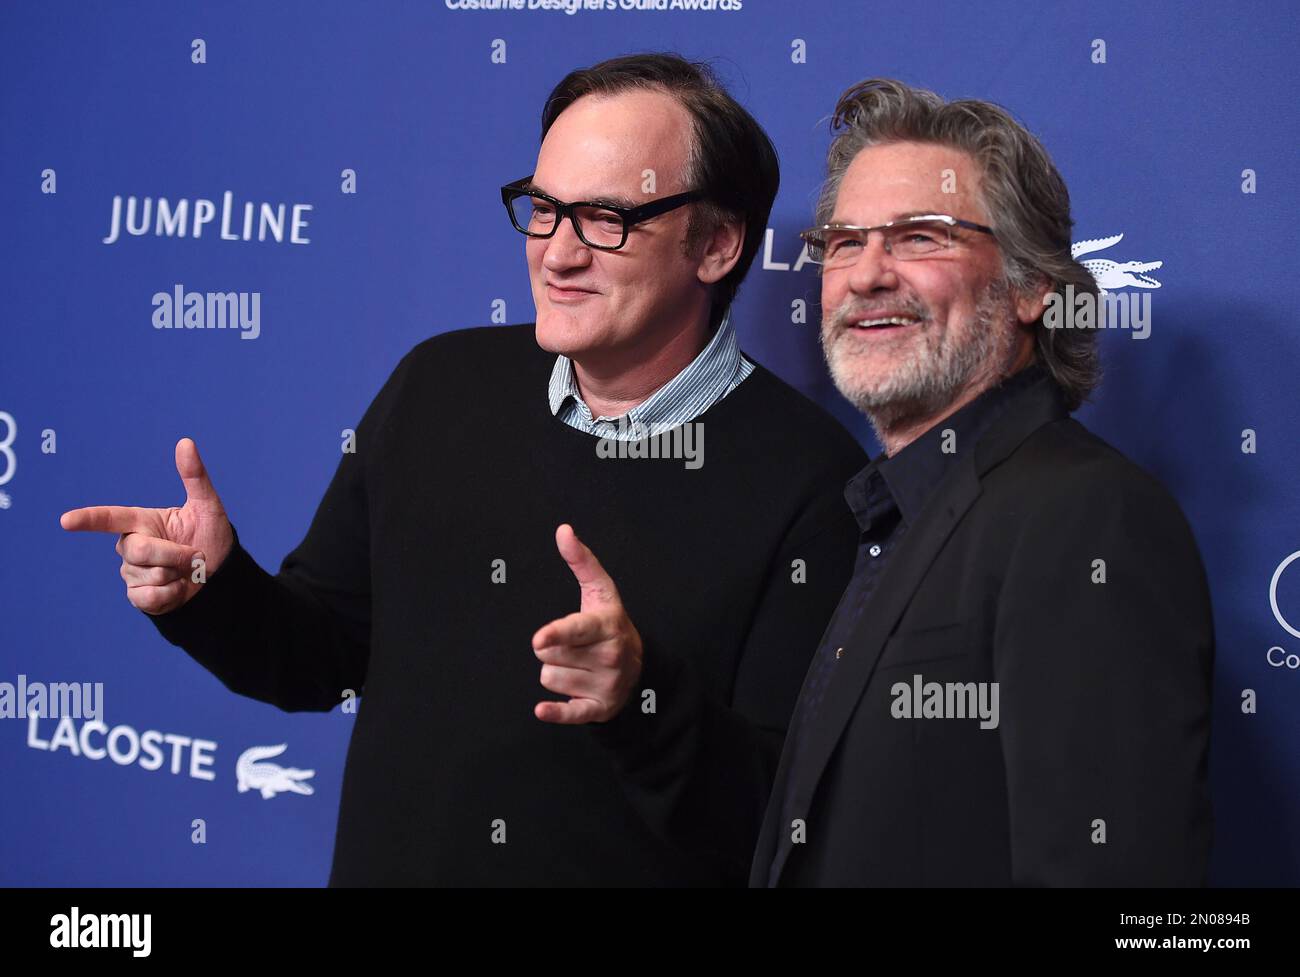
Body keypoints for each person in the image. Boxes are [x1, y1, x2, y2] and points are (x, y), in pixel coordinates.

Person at [60, 53, 867, 886]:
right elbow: (322, 656)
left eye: (603, 219)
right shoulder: (439, 385)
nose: (557, 254)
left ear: (717, 243)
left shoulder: (812, 482)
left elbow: (787, 824)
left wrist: (641, 701)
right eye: (544, 210)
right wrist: (214, 587)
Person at [751, 78, 1214, 887]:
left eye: (921, 238)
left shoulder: (1085, 517)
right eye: (845, 242)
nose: (865, 276)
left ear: (1035, 285)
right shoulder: (891, 520)